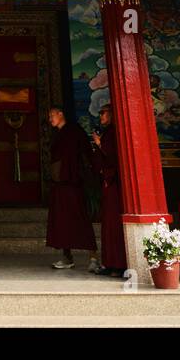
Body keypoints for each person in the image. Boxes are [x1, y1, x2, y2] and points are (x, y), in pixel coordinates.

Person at [45, 107, 99, 270]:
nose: (50, 119)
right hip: (59, 184)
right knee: (61, 222)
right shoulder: (57, 135)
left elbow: (86, 153)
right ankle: (67, 257)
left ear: (61, 113)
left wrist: (87, 176)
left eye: (52, 115)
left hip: (74, 183)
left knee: (80, 219)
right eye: (49, 117)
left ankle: (93, 258)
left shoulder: (74, 131)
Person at [91, 104, 127, 277]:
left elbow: (115, 157)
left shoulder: (115, 133)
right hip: (107, 183)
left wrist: (99, 143)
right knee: (108, 225)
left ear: (112, 114)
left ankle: (118, 264)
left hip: (113, 184)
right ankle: (110, 263)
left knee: (114, 225)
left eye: (103, 113)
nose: (101, 117)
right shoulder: (109, 132)